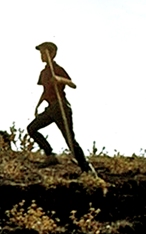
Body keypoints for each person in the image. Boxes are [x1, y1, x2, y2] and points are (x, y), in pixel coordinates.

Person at [27, 41, 96, 173]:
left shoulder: (57, 69)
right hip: (50, 108)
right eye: (41, 53)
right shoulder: (43, 73)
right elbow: (45, 91)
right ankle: (50, 155)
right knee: (32, 128)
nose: (41, 55)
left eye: (44, 53)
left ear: (52, 54)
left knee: (70, 140)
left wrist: (59, 79)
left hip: (61, 107)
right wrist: (38, 105)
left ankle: (87, 170)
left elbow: (72, 84)